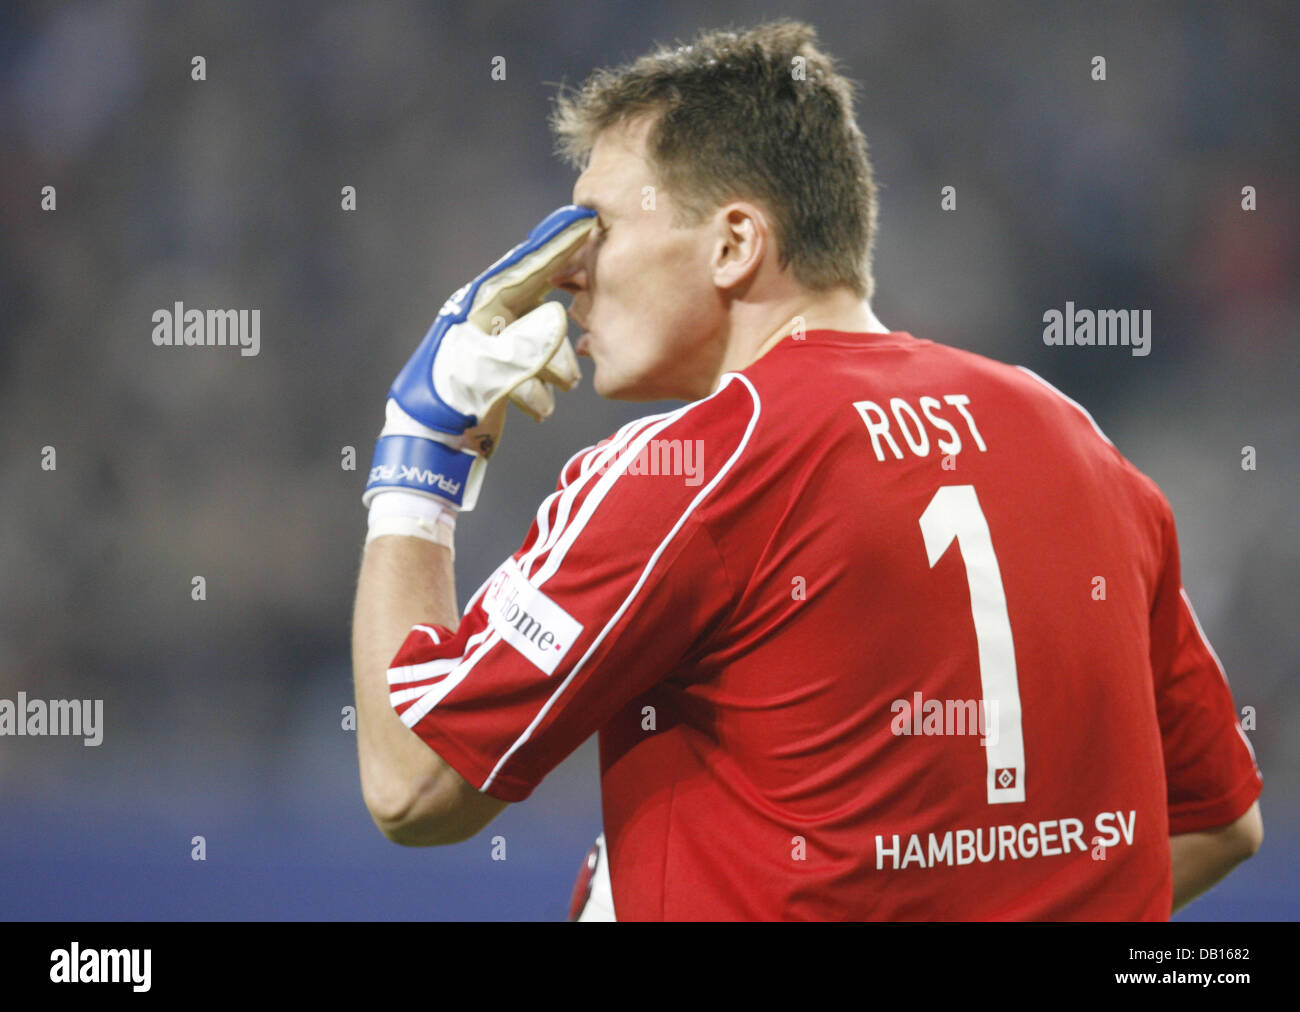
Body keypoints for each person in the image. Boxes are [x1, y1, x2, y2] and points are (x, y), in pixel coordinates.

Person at [350, 20, 1262, 920]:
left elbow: (415, 781)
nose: (566, 275)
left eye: (597, 230)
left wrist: (420, 452)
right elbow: (1218, 822)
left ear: (735, 242)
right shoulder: (1072, 435)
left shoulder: (694, 464)